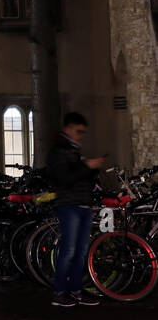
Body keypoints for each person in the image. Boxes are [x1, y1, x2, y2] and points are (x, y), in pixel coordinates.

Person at [46, 112, 106, 307]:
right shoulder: (58, 151)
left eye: (83, 132)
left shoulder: (72, 150)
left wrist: (91, 168)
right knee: (69, 250)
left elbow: (78, 176)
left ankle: (76, 290)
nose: (81, 135)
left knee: (81, 252)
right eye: (78, 131)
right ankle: (60, 292)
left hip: (82, 204)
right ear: (68, 129)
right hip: (69, 205)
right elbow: (64, 178)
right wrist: (86, 165)